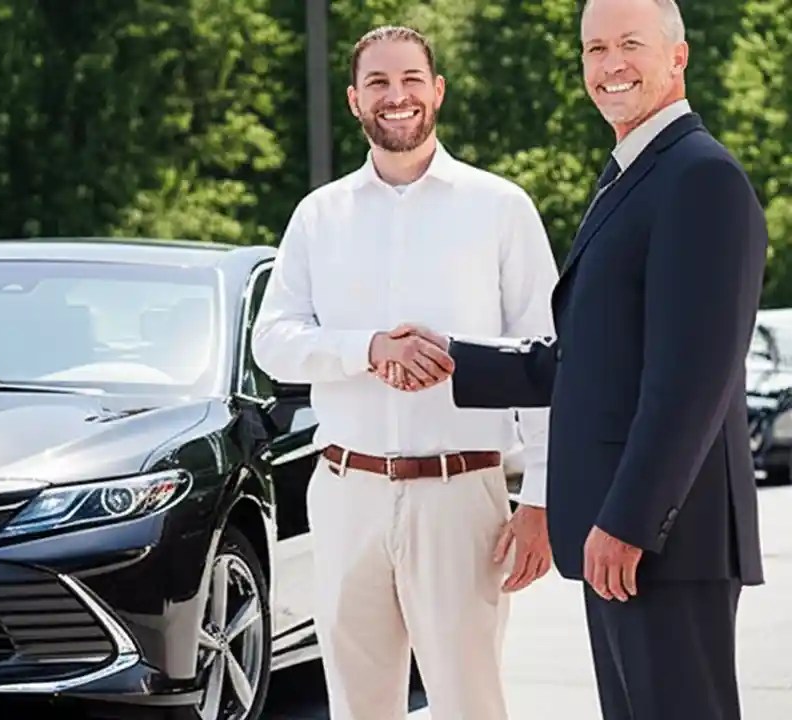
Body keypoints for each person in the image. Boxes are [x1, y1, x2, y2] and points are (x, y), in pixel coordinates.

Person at [387, 1, 768, 718]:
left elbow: (691, 382)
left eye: (630, 44)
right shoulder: (635, 173)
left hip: (663, 542)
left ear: (678, 58)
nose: (610, 65)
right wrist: (456, 359)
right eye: (595, 48)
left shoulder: (700, 178)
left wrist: (629, 522)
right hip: (621, 538)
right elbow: (593, 361)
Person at [251, 25, 558, 720]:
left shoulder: (499, 207)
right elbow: (273, 341)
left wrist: (540, 499)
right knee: (359, 705)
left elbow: (546, 361)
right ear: (356, 100)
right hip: (345, 493)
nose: (398, 98)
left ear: (437, 90)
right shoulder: (318, 215)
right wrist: (367, 349)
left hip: (461, 495)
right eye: (380, 84)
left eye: (412, 80)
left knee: (468, 701)